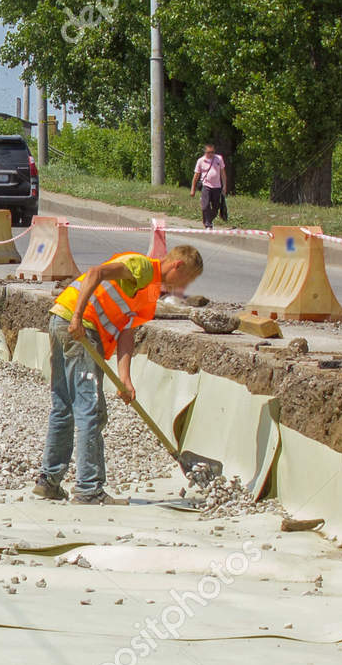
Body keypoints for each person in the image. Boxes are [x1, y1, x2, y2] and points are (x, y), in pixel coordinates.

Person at [33, 244, 205, 505]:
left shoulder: (149, 294)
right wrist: (78, 318)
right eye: (187, 279)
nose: (184, 287)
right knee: (90, 409)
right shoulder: (143, 267)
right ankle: (89, 489)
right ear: (177, 266)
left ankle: (49, 481)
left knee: (64, 405)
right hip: (78, 325)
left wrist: (126, 379)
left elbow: (127, 333)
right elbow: (94, 273)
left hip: (63, 321)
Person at [189, 144, 228, 229]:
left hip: (217, 186)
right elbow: (196, 176)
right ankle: (208, 224)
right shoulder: (201, 161)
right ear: (205, 152)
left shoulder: (219, 159)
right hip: (206, 186)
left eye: (212, 152)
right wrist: (193, 189)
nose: (211, 154)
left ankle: (208, 220)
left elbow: (223, 173)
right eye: (209, 152)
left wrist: (224, 186)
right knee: (205, 205)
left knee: (216, 207)